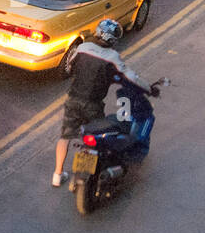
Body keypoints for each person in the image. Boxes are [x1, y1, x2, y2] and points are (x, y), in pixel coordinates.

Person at [52, 19, 158, 188]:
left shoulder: (82, 48)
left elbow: (69, 67)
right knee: (98, 139)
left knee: (65, 136)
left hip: (73, 99)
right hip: (93, 105)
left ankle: (57, 175)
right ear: (113, 40)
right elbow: (131, 78)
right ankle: (92, 175)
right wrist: (149, 88)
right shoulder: (112, 57)